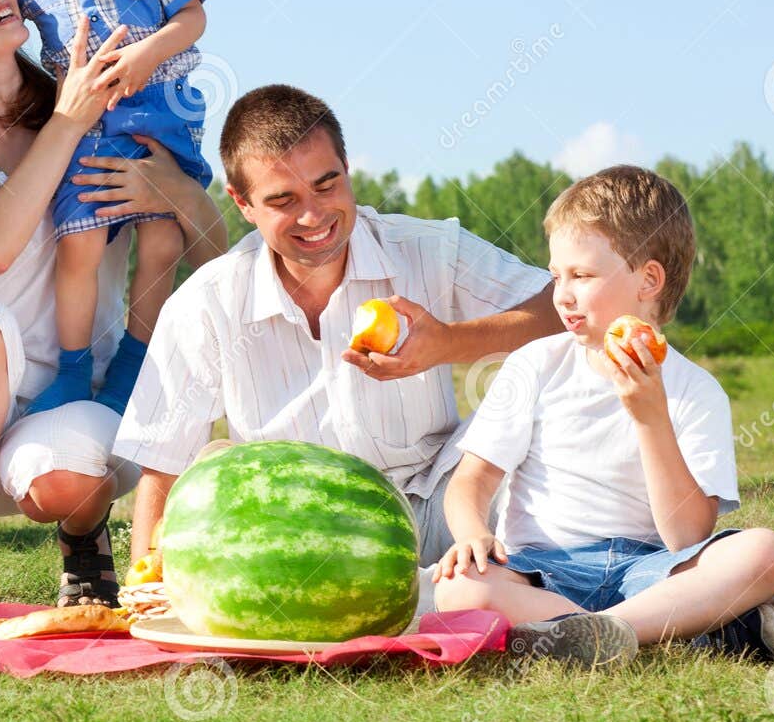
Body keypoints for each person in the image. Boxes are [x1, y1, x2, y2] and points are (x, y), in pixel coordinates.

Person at [0, 0, 227, 607]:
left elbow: (214, 257)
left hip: (81, 394)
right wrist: (68, 121)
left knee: (60, 482)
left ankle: (83, 537)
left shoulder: (103, 107)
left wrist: (176, 189)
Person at [116, 85, 562, 583]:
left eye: (326, 185)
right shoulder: (206, 302)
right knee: (213, 465)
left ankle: (564, 579)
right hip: (299, 542)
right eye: (283, 200)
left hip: (442, 504)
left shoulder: (430, 249)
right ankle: (467, 594)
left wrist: (447, 344)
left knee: (539, 408)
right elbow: (164, 465)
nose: (313, 216)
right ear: (243, 203)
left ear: (347, 169)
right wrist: (145, 594)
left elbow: (565, 309)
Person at [433, 166, 774, 667]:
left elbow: (688, 537)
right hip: (540, 567)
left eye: (582, 276)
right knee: (459, 589)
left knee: (765, 553)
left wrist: (650, 418)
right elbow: (471, 481)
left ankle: (597, 631)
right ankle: (694, 626)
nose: (562, 294)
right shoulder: (534, 365)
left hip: (649, 567)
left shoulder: (696, 391)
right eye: (556, 275)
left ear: (648, 280)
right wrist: (473, 531)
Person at [0, 0, 215, 418]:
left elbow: (192, 14)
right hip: (85, 125)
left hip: (160, 113)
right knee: (80, 246)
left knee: (163, 238)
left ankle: (135, 361)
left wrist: (151, 53)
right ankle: (70, 370)